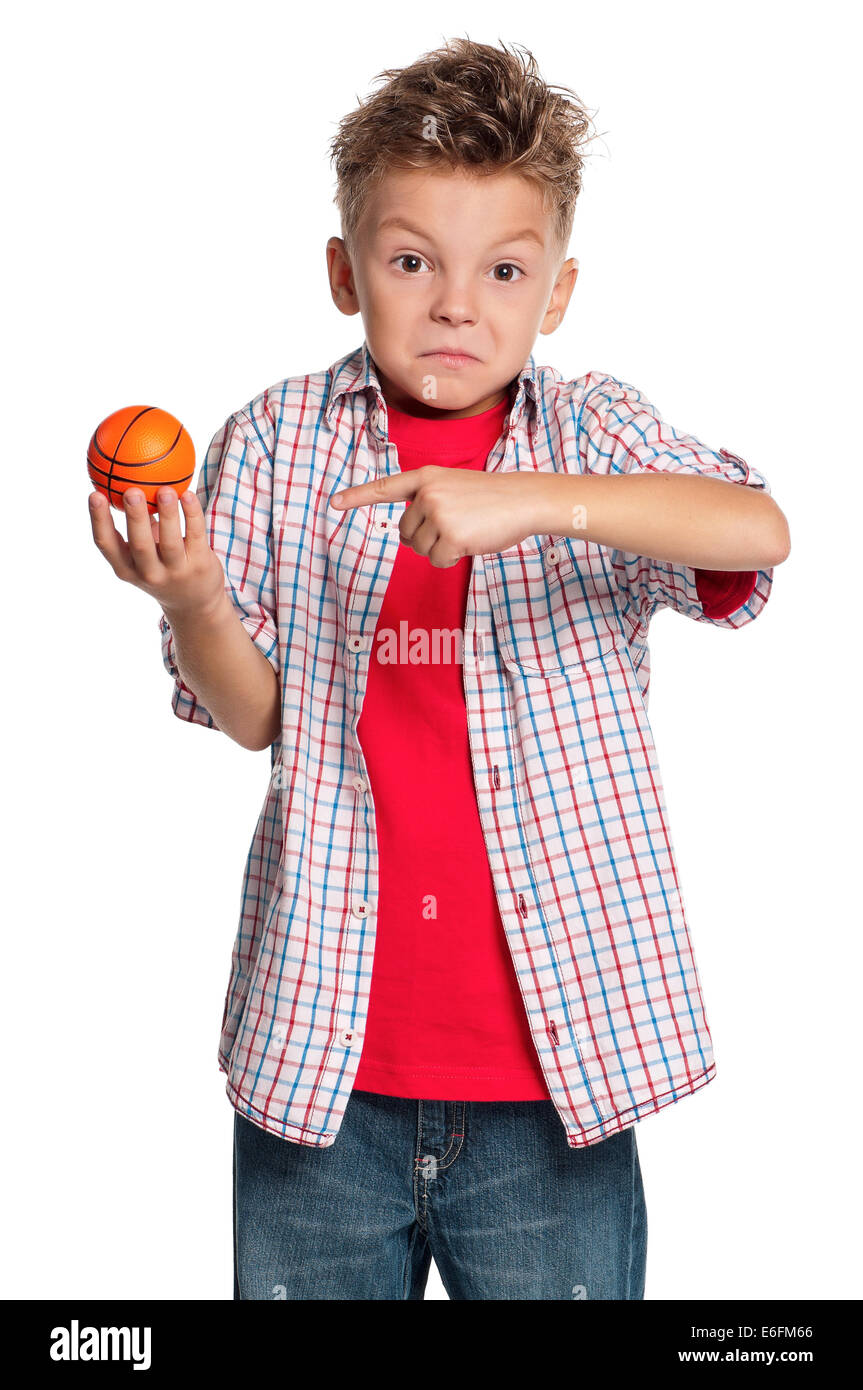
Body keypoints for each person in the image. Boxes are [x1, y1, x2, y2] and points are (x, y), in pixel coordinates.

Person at [88, 37, 790, 1300]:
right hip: (324, 1076)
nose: (456, 302)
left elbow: (756, 530)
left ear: (556, 291)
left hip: (548, 1093)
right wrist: (192, 597)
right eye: (412, 260)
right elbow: (255, 718)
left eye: (503, 270)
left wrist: (525, 501)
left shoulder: (588, 433)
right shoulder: (275, 442)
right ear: (343, 272)